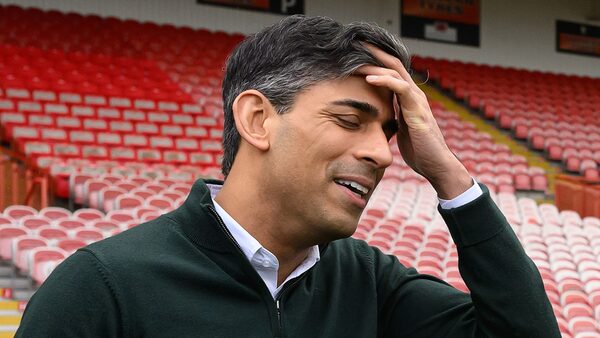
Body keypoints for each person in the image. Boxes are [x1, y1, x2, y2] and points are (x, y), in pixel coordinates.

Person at [17, 15, 560, 337]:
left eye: (390, 134)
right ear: (257, 120)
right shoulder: (102, 288)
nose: (383, 154)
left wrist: (449, 176)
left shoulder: (369, 283)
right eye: (350, 120)